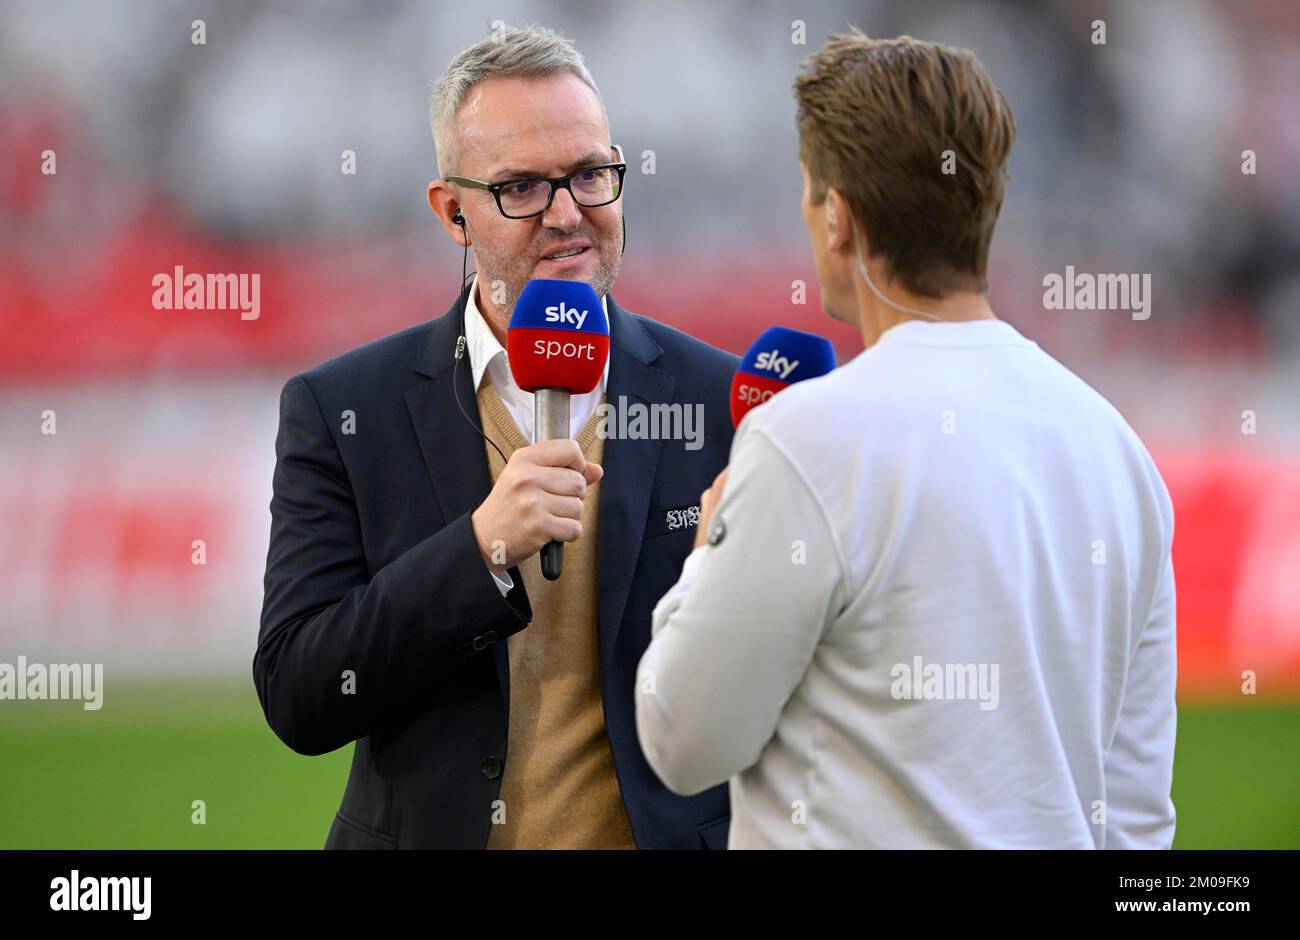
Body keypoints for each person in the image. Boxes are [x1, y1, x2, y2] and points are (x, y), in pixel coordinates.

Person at [635, 31, 1177, 849]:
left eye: (811, 195)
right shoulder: (1116, 450)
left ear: (840, 220)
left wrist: (709, 548)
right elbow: (1136, 817)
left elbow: (683, 741)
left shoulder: (806, 438)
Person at [255, 23, 737, 849]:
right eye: (521, 187)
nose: (567, 215)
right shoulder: (342, 410)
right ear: (452, 212)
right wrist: (477, 549)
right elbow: (301, 693)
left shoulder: (721, 399)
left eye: (591, 176)